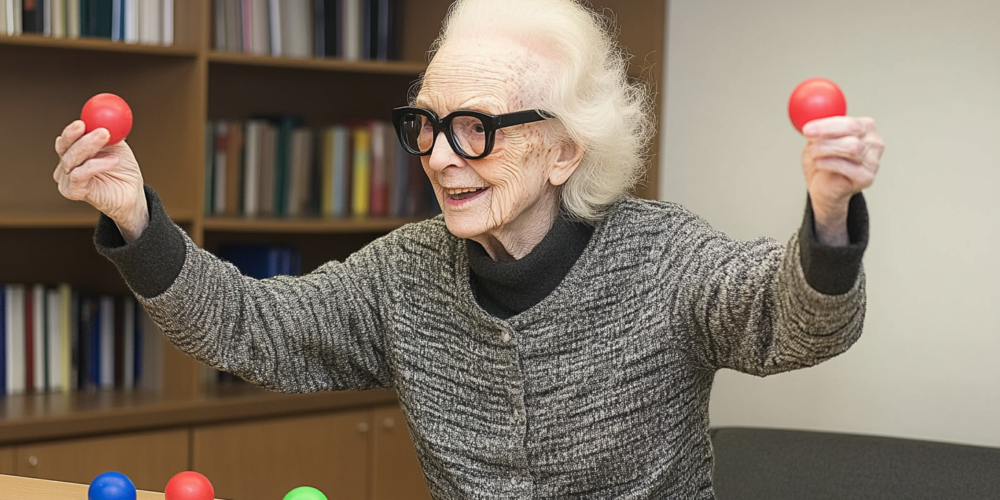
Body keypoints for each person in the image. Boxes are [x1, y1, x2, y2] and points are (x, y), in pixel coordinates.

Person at [51, 0, 883, 497]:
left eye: (475, 129)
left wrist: (829, 214)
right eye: (428, 125)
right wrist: (135, 219)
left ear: (565, 149)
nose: (442, 157)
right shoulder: (407, 272)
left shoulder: (663, 259)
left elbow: (795, 322)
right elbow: (247, 327)